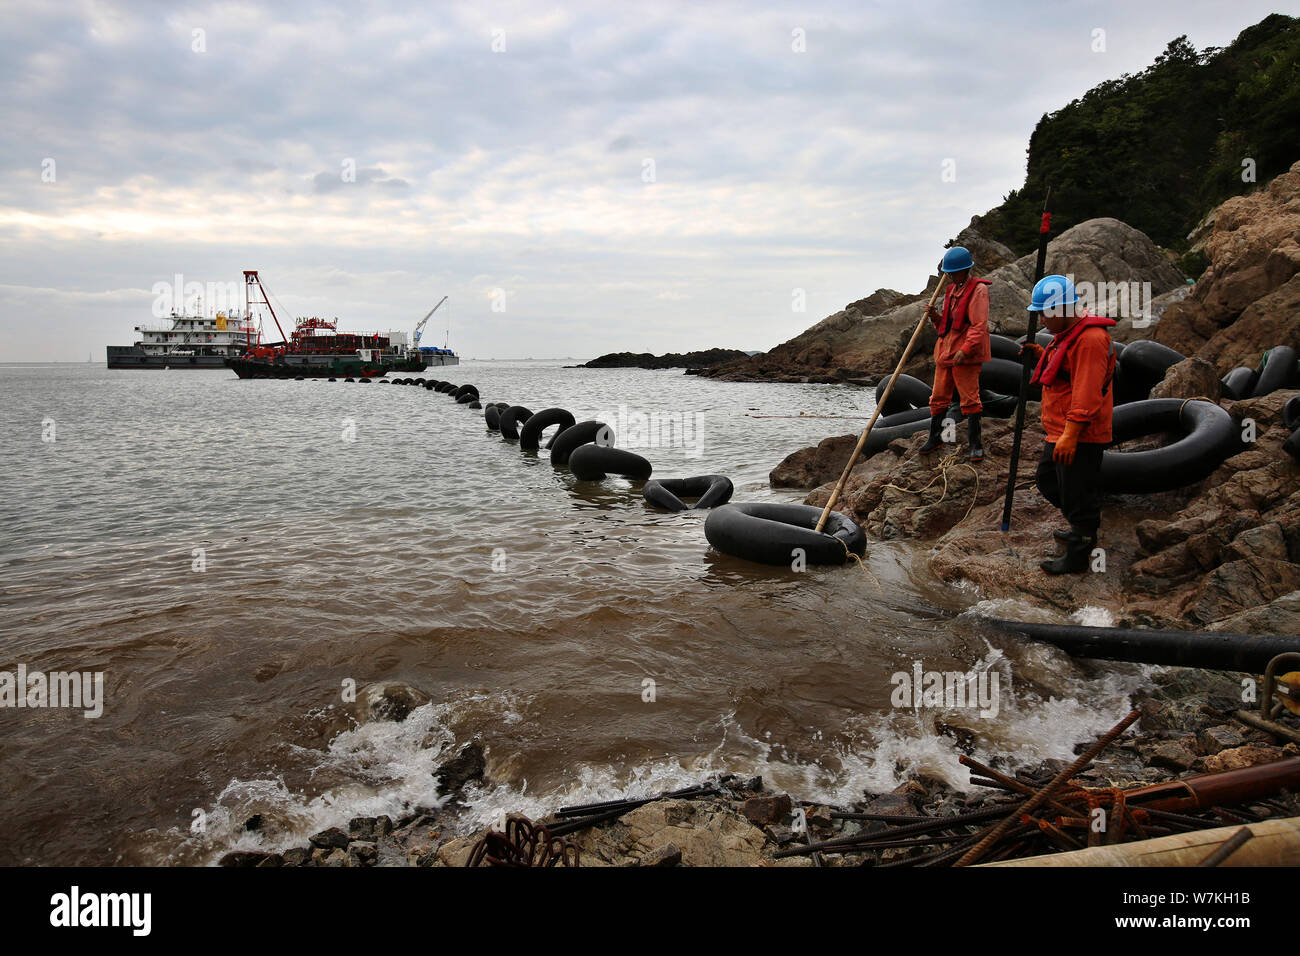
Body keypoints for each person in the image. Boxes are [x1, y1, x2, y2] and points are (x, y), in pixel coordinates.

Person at [1019, 274, 1117, 574]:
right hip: (1059, 429)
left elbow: (1087, 391)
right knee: (1050, 480)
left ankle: (1079, 552)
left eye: (1045, 313)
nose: (1041, 320)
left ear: (1062, 309)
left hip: (1080, 434)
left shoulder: (1090, 340)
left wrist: (1071, 434)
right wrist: (1039, 355)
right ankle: (1080, 523)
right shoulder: (1069, 333)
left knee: (1077, 490)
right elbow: (1065, 371)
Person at [921, 246, 992, 462]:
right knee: (939, 396)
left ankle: (975, 444)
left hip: (965, 354)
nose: (950, 276)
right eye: (948, 273)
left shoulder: (979, 290)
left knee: (970, 398)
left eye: (953, 272)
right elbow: (947, 324)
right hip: (946, 351)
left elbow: (979, 325)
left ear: (965, 270)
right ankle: (936, 437)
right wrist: (935, 316)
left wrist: (966, 349)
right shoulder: (951, 291)